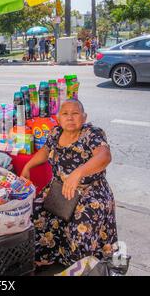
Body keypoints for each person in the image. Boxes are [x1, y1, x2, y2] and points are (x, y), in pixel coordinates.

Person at [21, 99, 118, 269]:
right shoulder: (55, 132)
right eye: (65, 114)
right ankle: (48, 256)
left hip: (91, 192)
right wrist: (28, 166)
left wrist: (78, 173)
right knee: (33, 215)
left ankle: (78, 267)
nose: (70, 118)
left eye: (75, 113)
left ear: (84, 116)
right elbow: (45, 151)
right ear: (58, 118)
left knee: (80, 232)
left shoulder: (92, 134)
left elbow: (104, 156)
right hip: (60, 189)